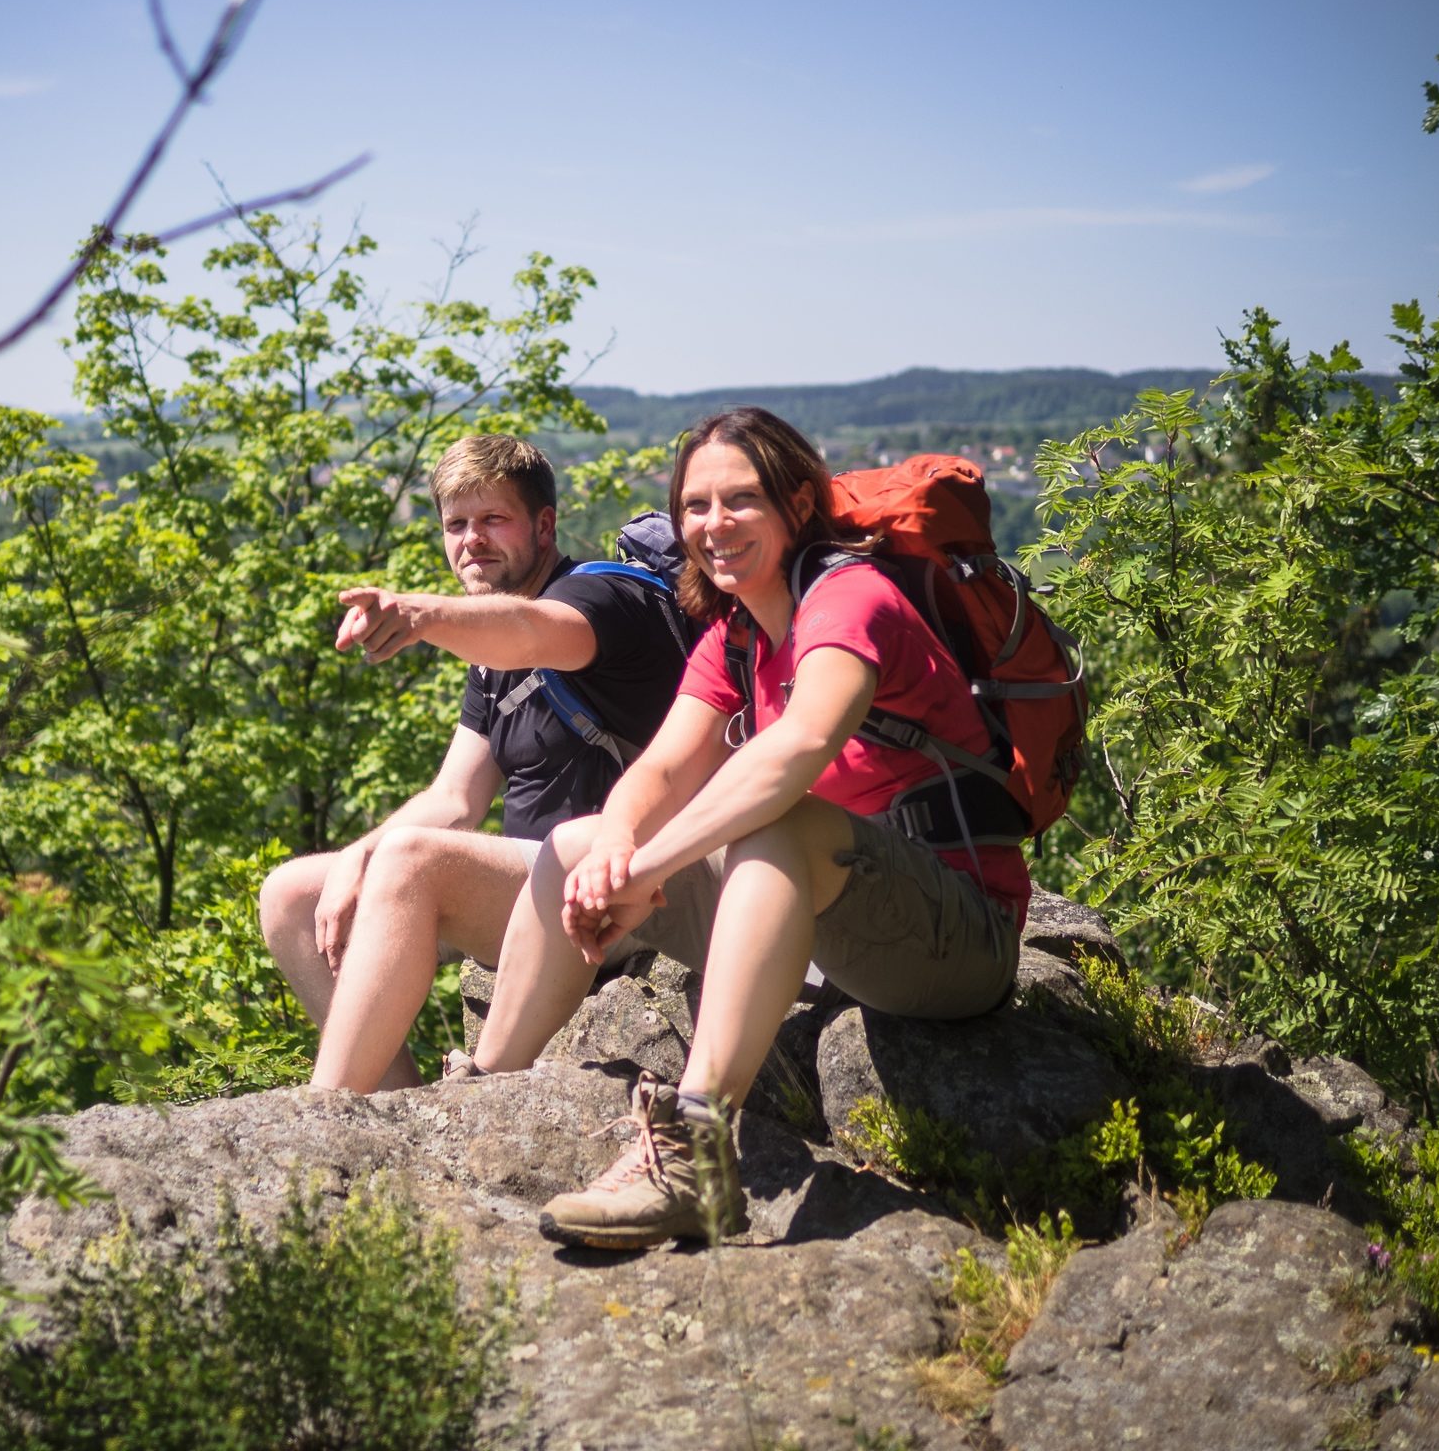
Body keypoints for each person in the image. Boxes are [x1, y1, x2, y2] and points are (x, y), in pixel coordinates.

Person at [466, 406, 1028, 1249]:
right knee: (576, 844)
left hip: (953, 933)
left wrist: (649, 869)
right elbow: (662, 768)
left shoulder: (851, 599)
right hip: (827, 925)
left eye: (741, 500)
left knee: (778, 823)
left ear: (798, 504)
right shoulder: (736, 634)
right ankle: (486, 1089)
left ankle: (696, 1151)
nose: (713, 524)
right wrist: (617, 846)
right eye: (695, 505)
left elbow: (796, 749)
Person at [259, 433, 703, 1093]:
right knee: (292, 894)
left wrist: (419, 614)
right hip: (532, 889)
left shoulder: (604, 602)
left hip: (623, 887)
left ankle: (328, 1113)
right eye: (456, 524)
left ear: (544, 526)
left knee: (412, 859)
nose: (472, 540)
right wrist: (358, 853)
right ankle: (384, 1110)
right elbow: (456, 799)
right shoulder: (488, 661)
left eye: (494, 519)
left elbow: (532, 632)